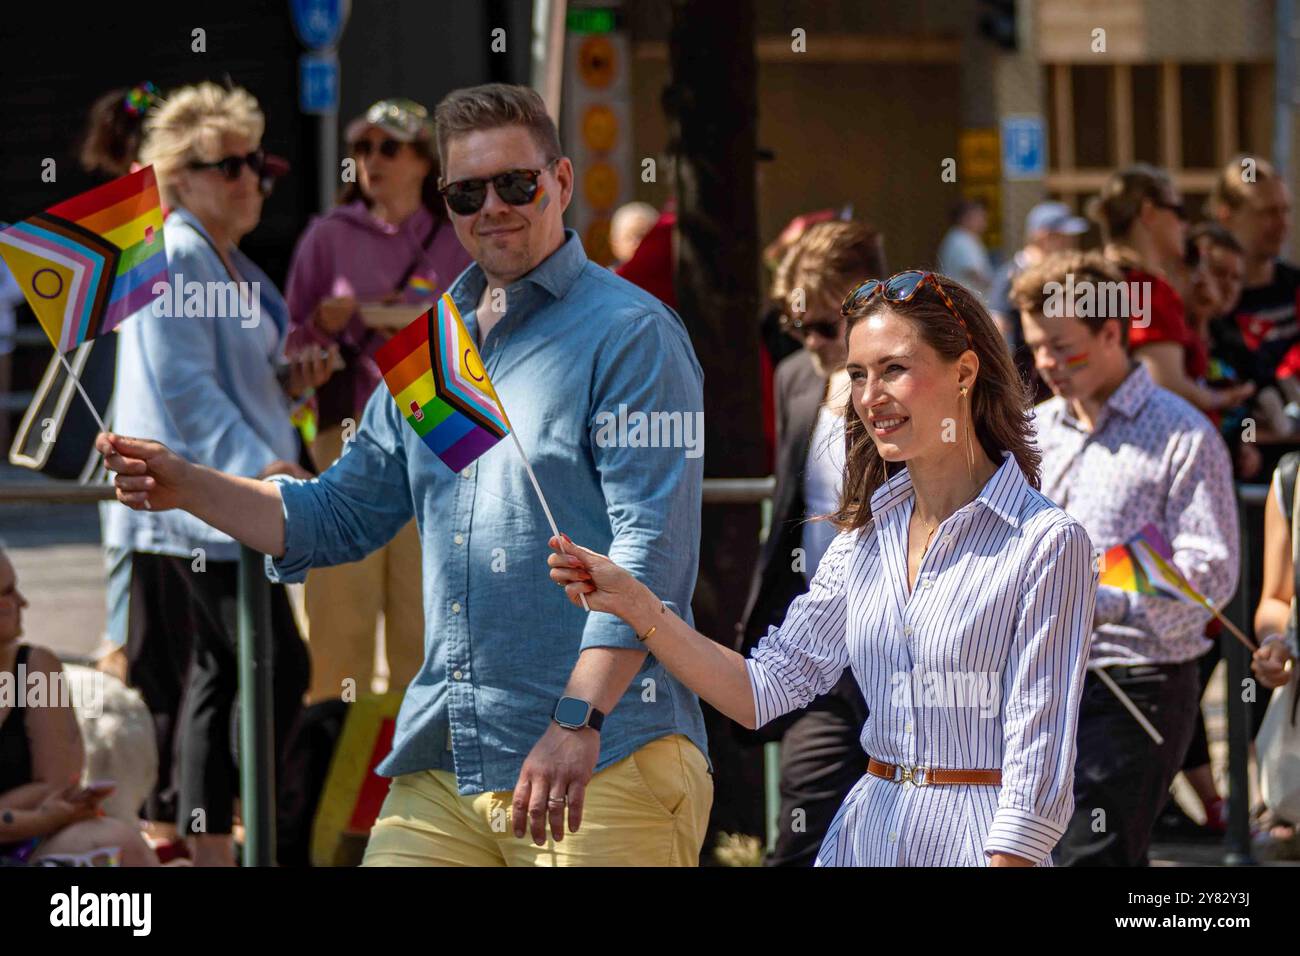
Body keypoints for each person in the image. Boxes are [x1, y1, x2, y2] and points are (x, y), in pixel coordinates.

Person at [97, 83, 711, 867]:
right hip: (446, 763)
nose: (493, 207)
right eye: (466, 192)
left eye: (516, 184)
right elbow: (337, 517)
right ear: (446, 202)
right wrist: (189, 484)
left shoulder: (631, 335)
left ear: (560, 182)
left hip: (603, 754)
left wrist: (576, 722)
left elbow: (649, 552)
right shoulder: (440, 347)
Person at [549, 270, 1098, 867]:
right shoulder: (865, 537)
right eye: (858, 374)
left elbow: (1037, 766)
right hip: (864, 839)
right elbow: (763, 690)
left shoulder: (1047, 542)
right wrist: (636, 604)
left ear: (964, 373)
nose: (868, 396)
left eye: (893, 369)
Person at [102, 82, 321, 866]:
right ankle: (224, 843)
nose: (252, 179)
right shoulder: (174, 247)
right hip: (203, 504)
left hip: (225, 501)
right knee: (256, 668)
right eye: (230, 165)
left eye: (257, 163)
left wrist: (296, 383)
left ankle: (211, 846)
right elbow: (184, 388)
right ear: (179, 174)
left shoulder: (228, 260)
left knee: (223, 672)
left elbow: (244, 380)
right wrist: (262, 466)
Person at [1014, 250, 1240, 866]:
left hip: (1137, 682)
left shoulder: (1183, 433)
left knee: (1095, 856)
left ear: (1112, 331)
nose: (1046, 364)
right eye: (1036, 347)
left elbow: (1211, 568)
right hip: (1035, 680)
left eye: (1061, 346)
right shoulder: (1032, 431)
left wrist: (1100, 593)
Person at [285, 97, 471, 704]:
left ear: (423, 161)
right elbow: (291, 349)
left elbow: (483, 331)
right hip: (347, 439)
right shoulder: (326, 237)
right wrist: (314, 348)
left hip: (442, 437)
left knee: (428, 626)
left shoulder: (459, 234)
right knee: (339, 627)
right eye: (361, 148)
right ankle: (334, 780)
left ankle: (419, 781)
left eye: (388, 148)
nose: (371, 161)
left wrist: (390, 321)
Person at [738, 220, 884, 865]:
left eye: (829, 326)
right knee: (800, 832)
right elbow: (793, 499)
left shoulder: (911, 384)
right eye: (800, 328)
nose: (813, 342)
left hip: (916, 653)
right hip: (824, 645)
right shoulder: (798, 378)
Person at [0, 549, 157, 866]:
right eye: (6, 593)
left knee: (119, 842)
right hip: (31, 829)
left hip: (26, 845)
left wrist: (33, 817)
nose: (22, 602)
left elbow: (59, 782)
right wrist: (39, 816)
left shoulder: (35, 667)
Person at [1092, 164, 1250, 419]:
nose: (1185, 224)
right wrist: (1221, 398)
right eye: (1178, 211)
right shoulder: (1148, 289)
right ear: (1148, 212)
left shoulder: (1093, 281)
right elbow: (1164, 383)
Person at [1210, 154, 1299, 412]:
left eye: (1286, 210)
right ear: (1226, 216)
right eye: (1268, 213)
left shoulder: (1294, 286)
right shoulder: (1209, 301)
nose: (1283, 223)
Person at [988, 200, 1088, 392]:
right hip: (1029, 387)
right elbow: (997, 329)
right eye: (1065, 237)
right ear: (1045, 236)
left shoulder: (1061, 275)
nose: (1071, 244)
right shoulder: (1011, 275)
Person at [936, 199, 993, 302]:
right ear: (966, 217)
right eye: (979, 216)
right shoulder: (961, 239)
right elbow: (974, 273)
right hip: (963, 302)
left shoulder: (966, 237)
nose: (984, 220)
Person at [608, 201, 658, 267]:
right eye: (630, 237)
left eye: (645, 237)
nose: (638, 243)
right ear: (615, 242)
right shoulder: (603, 276)